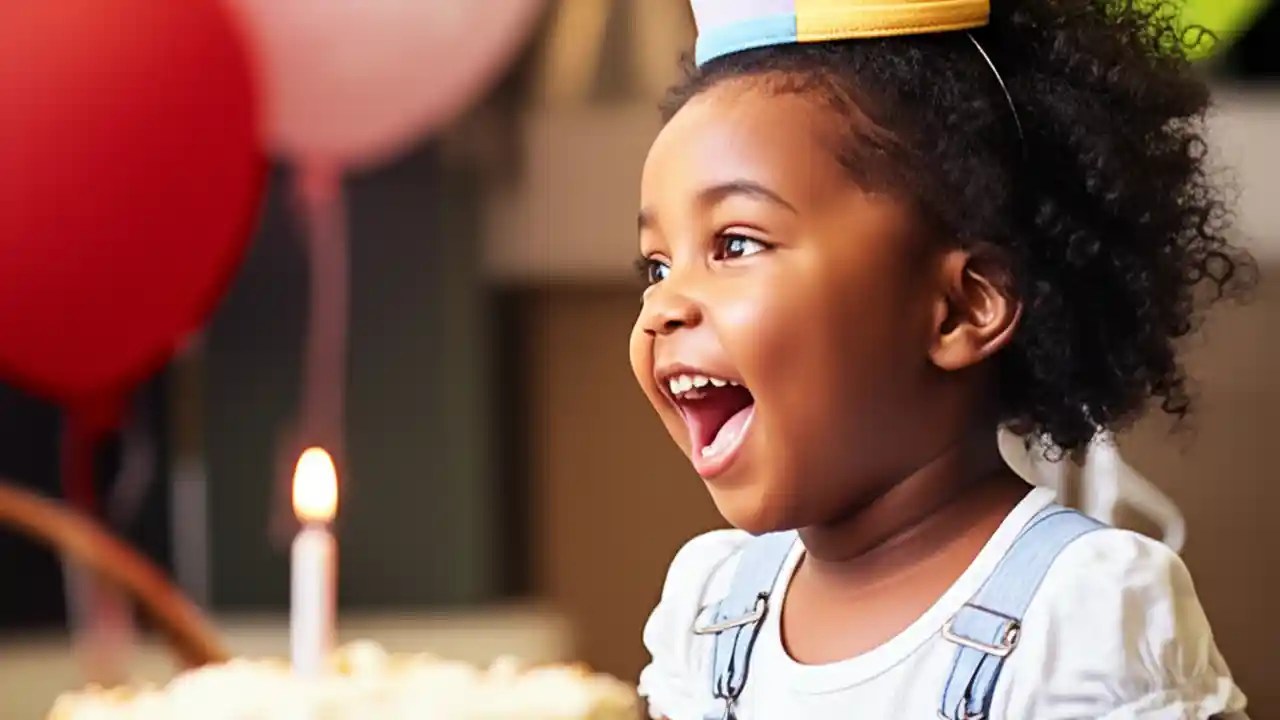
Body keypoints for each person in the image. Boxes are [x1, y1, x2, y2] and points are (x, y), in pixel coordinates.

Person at [628, 0, 1255, 717]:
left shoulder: (1079, 616)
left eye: (736, 244)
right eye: (656, 266)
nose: (664, 306)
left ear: (960, 309)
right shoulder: (710, 610)